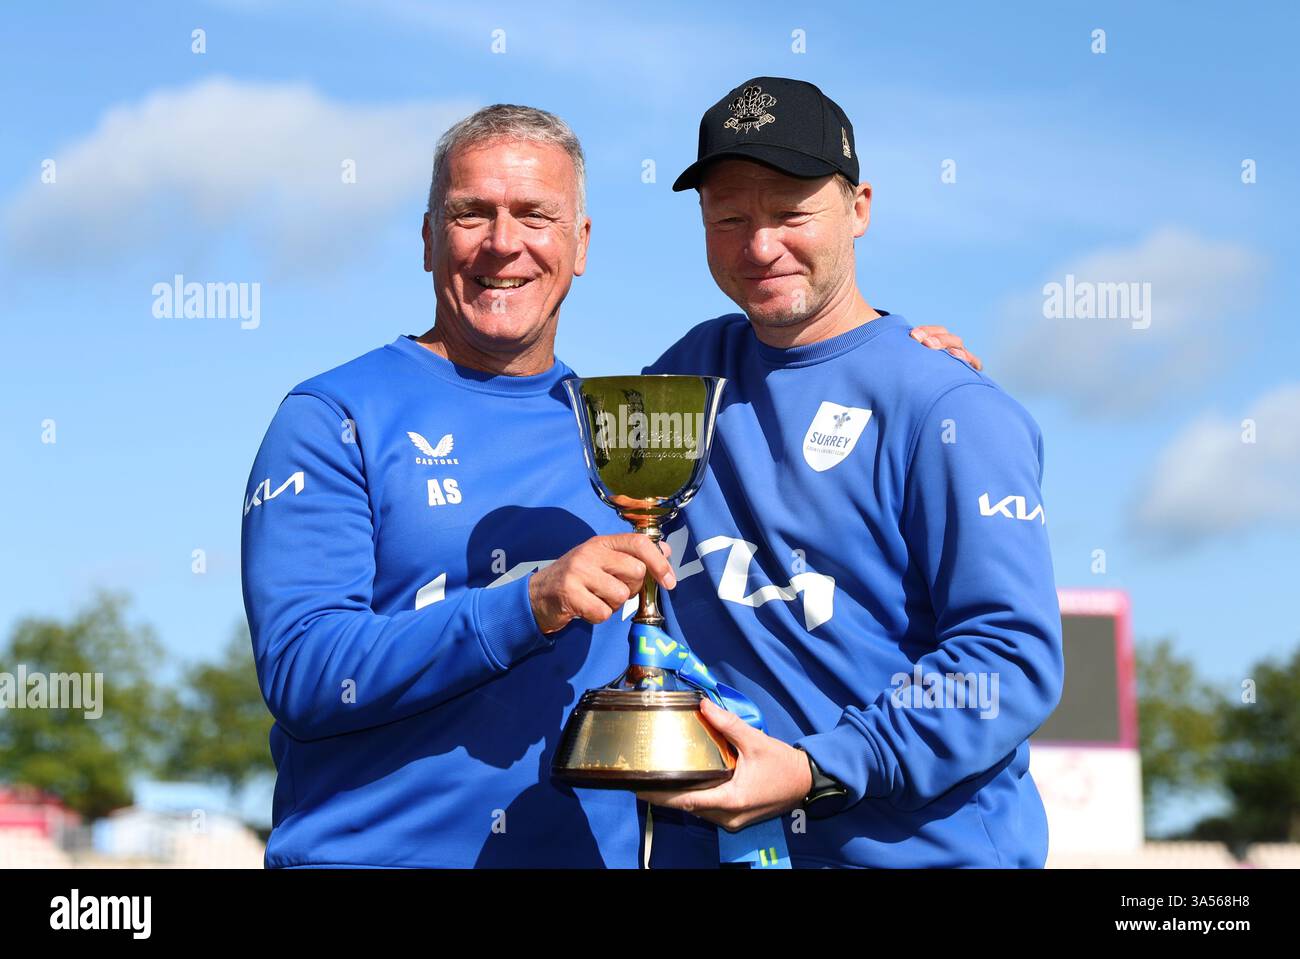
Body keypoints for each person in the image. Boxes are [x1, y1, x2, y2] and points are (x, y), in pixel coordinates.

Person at [241, 102, 975, 868]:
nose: (504, 243)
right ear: (428, 238)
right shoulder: (334, 417)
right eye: (471, 214)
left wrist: (901, 365)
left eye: (535, 214)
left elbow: (801, 374)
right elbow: (304, 671)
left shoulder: (632, 429)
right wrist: (528, 603)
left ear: (581, 243)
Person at [638, 77, 1064, 868]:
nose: (760, 246)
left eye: (792, 213)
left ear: (859, 207)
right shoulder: (684, 379)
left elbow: (1008, 660)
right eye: (729, 218)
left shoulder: (949, 406)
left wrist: (815, 767)